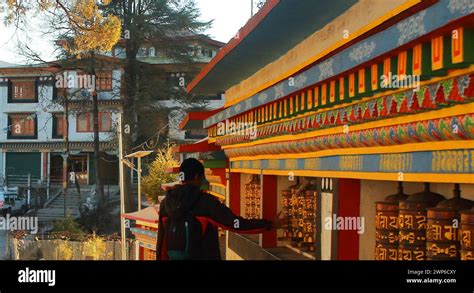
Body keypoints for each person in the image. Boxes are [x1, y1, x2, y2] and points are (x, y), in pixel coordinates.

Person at [156, 158, 273, 260]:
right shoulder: (206, 202)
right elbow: (234, 224)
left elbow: (162, 243)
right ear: (197, 176)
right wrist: (268, 224)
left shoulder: (166, 204)